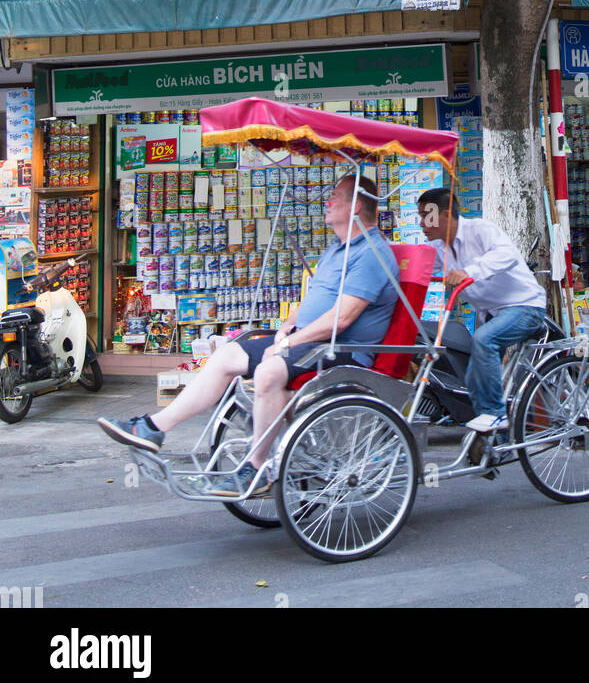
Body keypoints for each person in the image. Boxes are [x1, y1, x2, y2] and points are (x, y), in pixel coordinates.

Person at [98, 174, 398, 495]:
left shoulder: (371, 254)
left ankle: (257, 469)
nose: (327, 201)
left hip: (344, 350)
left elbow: (342, 318)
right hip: (311, 342)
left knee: (269, 371)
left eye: (335, 196)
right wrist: (287, 325)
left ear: (355, 206)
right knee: (227, 354)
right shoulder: (337, 250)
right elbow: (316, 300)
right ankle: (154, 427)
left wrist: (287, 343)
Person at [417, 187, 546, 434]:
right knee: (474, 378)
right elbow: (416, 264)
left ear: (445, 216)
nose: (422, 223)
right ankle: (495, 443)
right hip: (491, 315)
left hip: (524, 306)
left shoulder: (480, 230)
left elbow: (506, 254)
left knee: (484, 339)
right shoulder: (439, 250)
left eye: (426, 215)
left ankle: (495, 415)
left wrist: (469, 272)